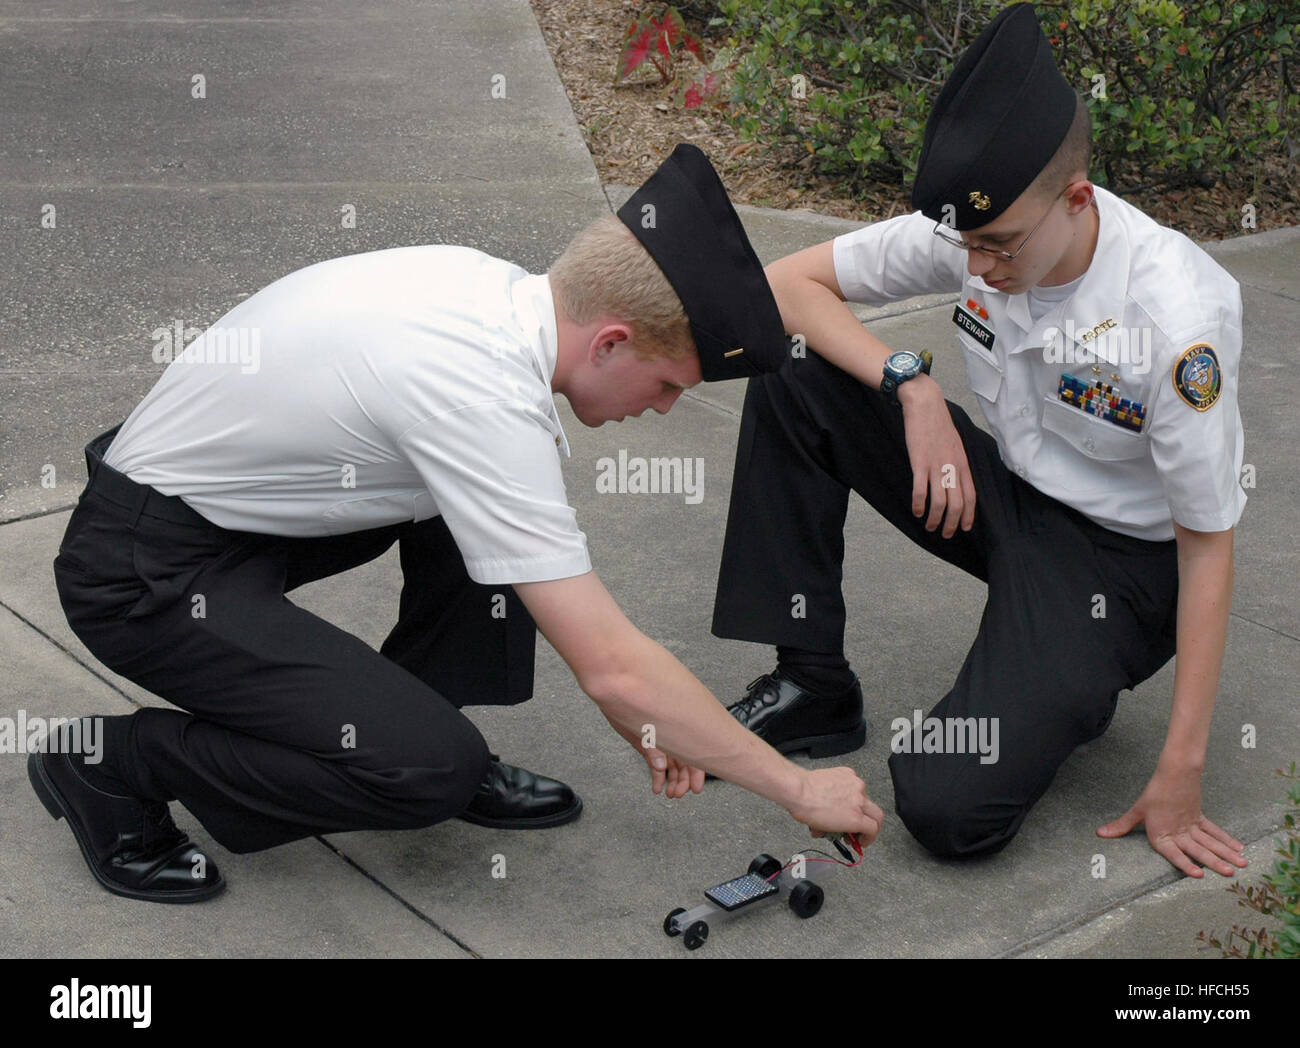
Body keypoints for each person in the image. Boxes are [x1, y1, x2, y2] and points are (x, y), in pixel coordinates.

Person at [30, 144, 882, 904]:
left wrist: (658, 718)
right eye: (667, 385)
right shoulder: (475, 393)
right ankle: (114, 765)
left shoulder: (495, 295)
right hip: (142, 569)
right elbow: (616, 670)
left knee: (503, 516)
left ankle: (416, 722)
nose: (661, 410)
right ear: (612, 342)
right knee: (422, 771)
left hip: (236, 510)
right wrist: (796, 790)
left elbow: (599, 648)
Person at [710, 3, 1249, 879]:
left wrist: (1180, 775)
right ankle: (814, 683)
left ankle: (1070, 666)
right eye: (966, 245)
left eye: (999, 247)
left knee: (946, 808)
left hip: (1116, 567)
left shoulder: (1176, 321)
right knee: (796, 363)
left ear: (1077, 199)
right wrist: (908, 382)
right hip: (1002, 491)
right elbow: (783, 288)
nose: (979, 267)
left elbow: (1208, 545)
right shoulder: (977, 228)